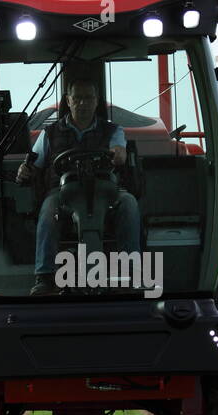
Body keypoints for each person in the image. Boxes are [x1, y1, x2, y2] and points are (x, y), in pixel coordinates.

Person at [16, 77, 141, 295]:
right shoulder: (49, 133)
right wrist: (23, 170)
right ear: (68, 100)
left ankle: (132, 275)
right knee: (48, 210)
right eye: (78, 98)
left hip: (107, 190)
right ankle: (44, 277)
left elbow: (120, 153)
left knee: (129, 203)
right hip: (63, 192)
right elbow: (32, 164)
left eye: (88, 98)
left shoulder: (113, 131)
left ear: (97, 101)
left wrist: (119, 153)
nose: (83, 103)